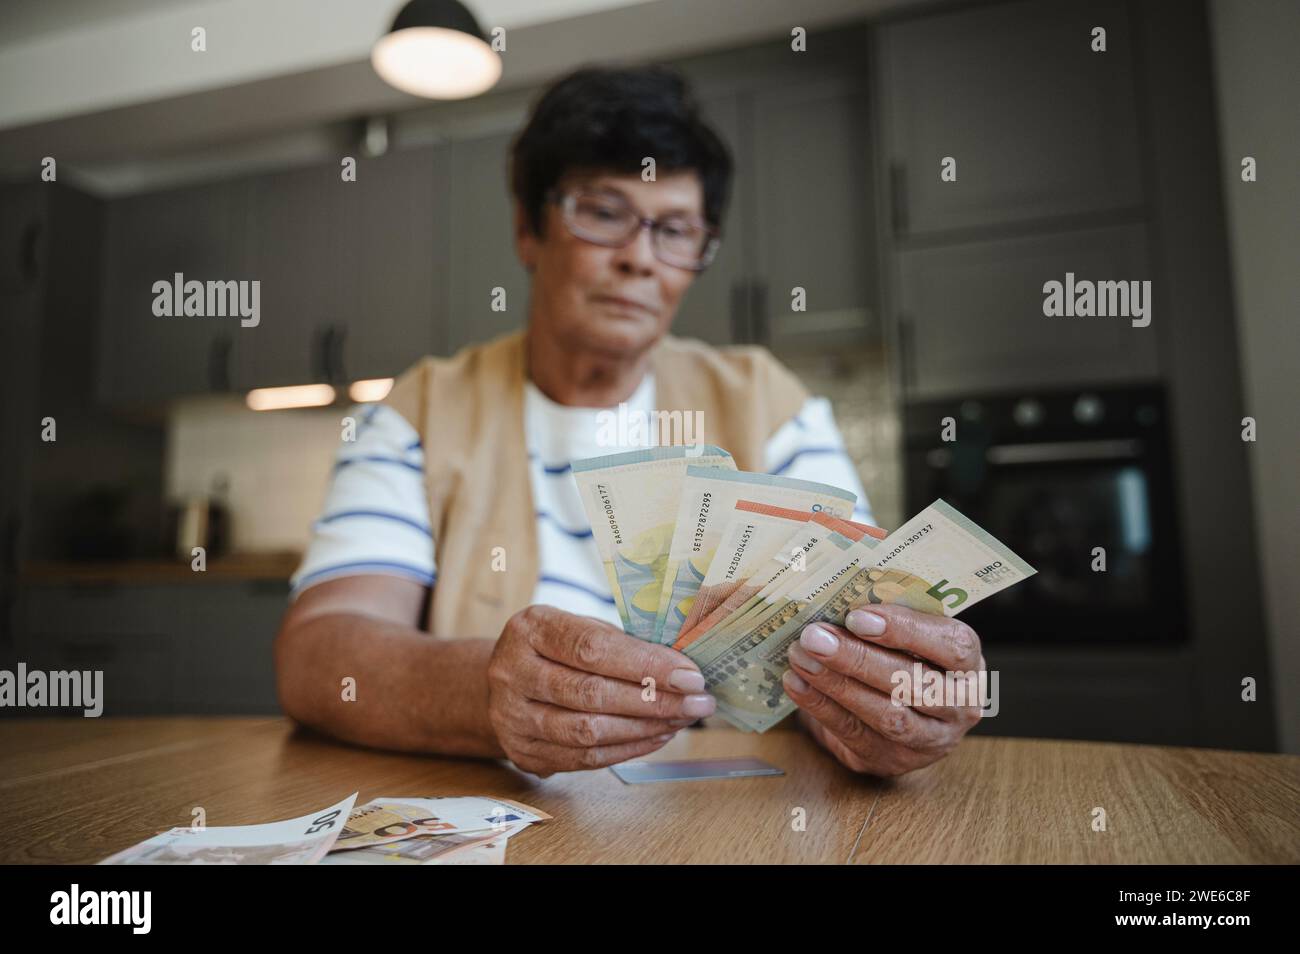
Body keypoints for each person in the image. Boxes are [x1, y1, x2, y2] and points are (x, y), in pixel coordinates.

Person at [274, 64, 986, 778]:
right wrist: (484, 693)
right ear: (528, 227)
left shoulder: (767, 403)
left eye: (675, 230)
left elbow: (855, 627)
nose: (639, 258)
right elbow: (320, 653)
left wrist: (887, 697)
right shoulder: (422, 410)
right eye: (605, 213)